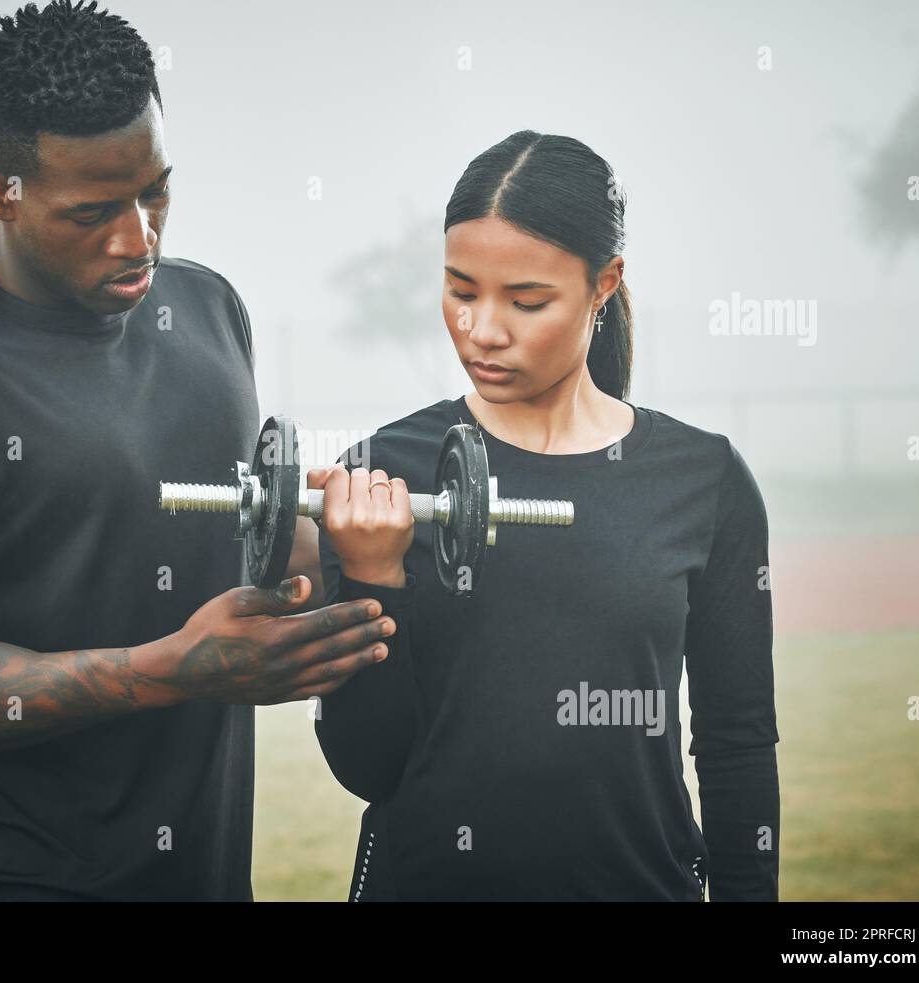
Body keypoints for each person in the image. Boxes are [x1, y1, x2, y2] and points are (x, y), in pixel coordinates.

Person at [0, 0, 395, 901]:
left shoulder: (206, 310)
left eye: (154, 189)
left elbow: (221, 543)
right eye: (91, 212)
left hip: (195, 872)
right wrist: (166, 671)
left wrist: (353, 539)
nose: (139, 238)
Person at [309, 130, 780, 901]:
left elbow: (737, 745)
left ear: (604, 284)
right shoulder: (381, 477)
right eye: (461, 291)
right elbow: (369, 769)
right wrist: (373, 574)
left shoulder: (705, 480)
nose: (482, 330)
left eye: (526, 301)